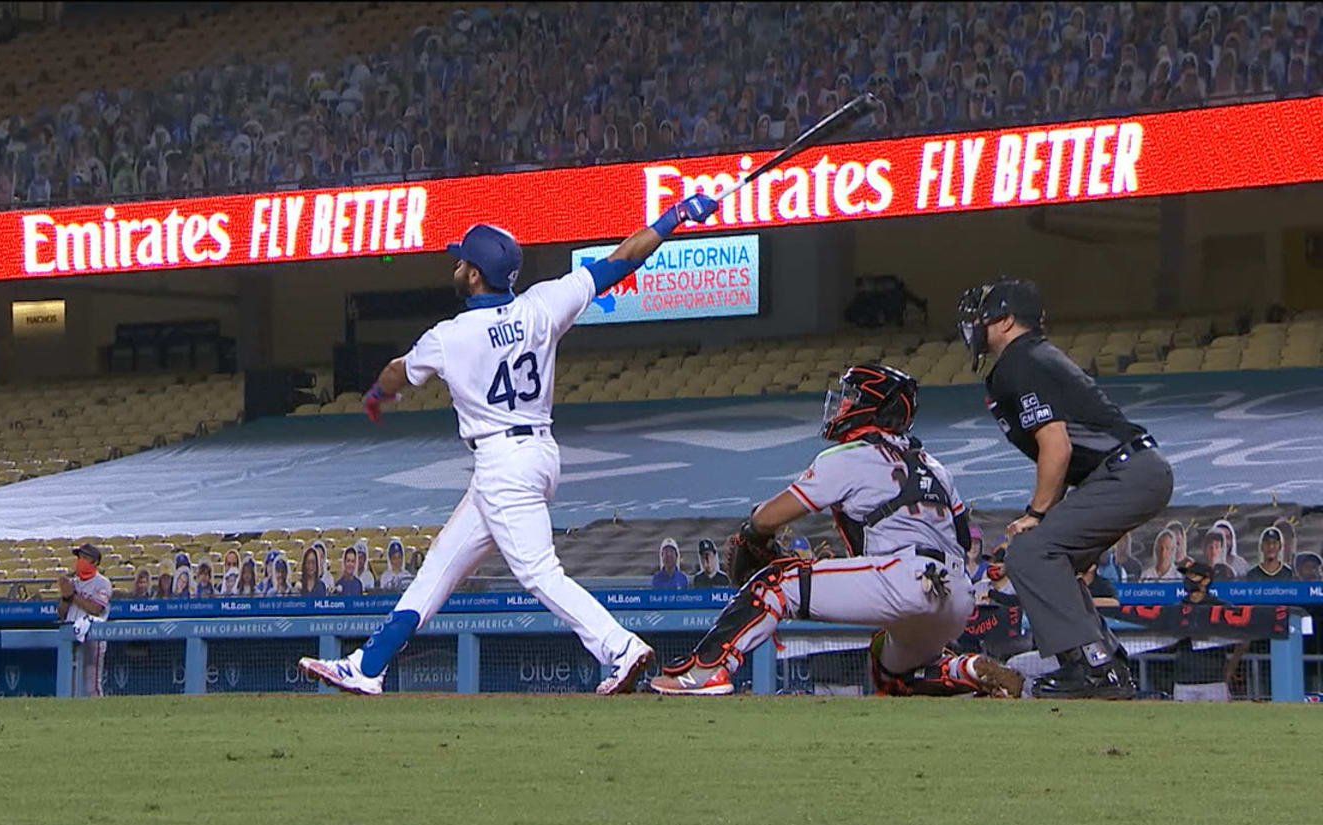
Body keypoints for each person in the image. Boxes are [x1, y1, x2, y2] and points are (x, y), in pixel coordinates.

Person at [301, 195, 721, 695]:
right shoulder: (542, 305)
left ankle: (620, 646)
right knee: (438, 567)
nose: (457, 267)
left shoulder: (450, 336)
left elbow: (398, 372)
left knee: (540, 572)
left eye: (462, 262)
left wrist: (377, 394)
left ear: (476, 275)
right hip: (535, 453)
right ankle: (368, 666)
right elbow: (621, 260)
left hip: (503, 461)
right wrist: (674, 218)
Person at [649, 364, 1022, 698]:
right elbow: (962, 538)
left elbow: (766, 519)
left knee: (774, 583)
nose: (843, 404)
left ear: (874, 407)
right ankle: (967, 669)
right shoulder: (936, 467)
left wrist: (753, 531)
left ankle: (706, 672)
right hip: (955, 595)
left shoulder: (850, 456)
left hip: (905, 578)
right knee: (893, 672)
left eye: (852, 397)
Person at [957, 277, 1173, 699]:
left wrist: (1036, 514)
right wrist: (1040, 517)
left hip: (1126, 472)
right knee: (1047, 558)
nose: (975, 326)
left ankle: (1092, 667)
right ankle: (1106, 665)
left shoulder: (1020, 360)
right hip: (1130, 470)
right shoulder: (1033, 356)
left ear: (1006, 321)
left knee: (1030, 553)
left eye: (983, 317)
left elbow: (1056, 446)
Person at [58, 543, 112, 697]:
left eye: (85, 558)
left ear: (95, 562)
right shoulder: (73, 582)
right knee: (71, 683)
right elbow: (61, 613)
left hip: (93, 635)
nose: (80, 561)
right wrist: (66, 597)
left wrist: (73, 595)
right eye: (79, 557)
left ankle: (97, 709)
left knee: (91, 684)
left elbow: (95, 608)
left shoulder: (102, 582)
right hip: (71, 634)